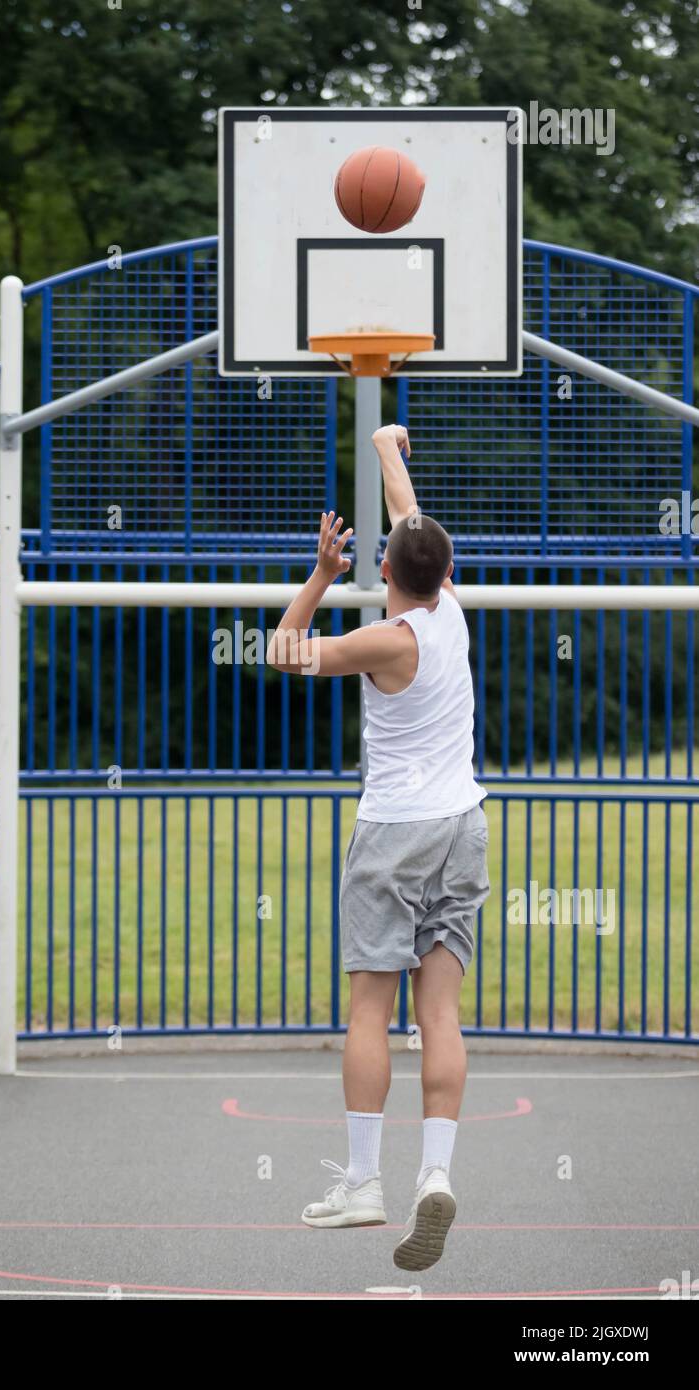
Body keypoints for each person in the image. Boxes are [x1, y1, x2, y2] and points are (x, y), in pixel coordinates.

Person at [266, 424, 489, 1272]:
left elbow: (284, 651)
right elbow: (412, 519)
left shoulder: (386, 641)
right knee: (440, 1014)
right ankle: (436, 1174)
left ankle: (364, 1183)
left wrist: (322, 574)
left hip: (395, 830)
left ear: (385, 572)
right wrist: (387, 445)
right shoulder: (451, 613)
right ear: (448, 571)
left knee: (371, 1010)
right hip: (463, 826)